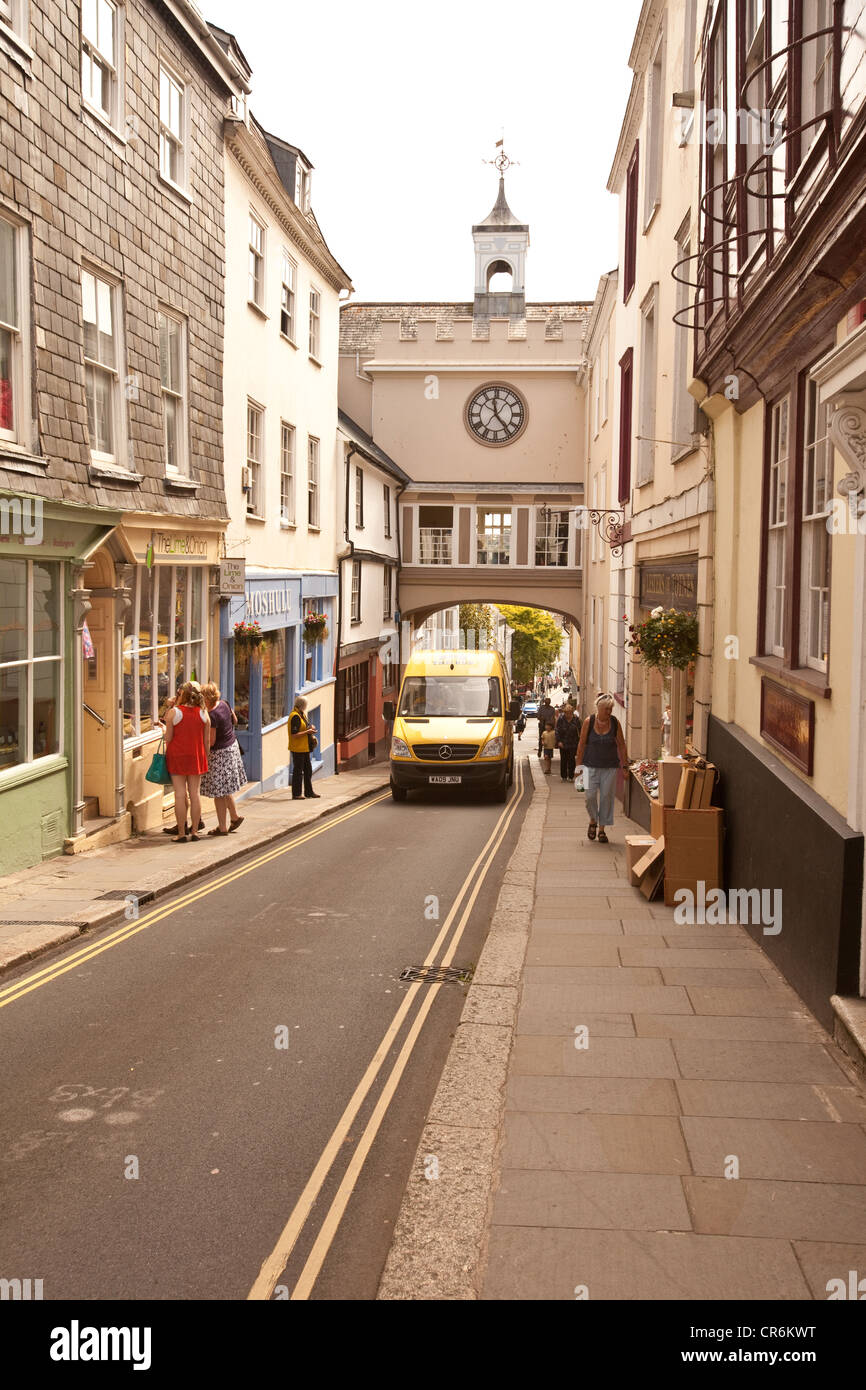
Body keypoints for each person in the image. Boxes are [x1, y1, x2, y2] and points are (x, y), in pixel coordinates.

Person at [575, 693, 629, 844]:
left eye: (611, 709)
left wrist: (625, 766)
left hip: (610, 767)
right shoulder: (589, 721)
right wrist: (578, 767)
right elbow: (581, 745)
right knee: (589, 797)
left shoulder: (615, 722)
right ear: (599, 708)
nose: (609, 712)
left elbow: (622, 745)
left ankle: (602, 830)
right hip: (589, 766)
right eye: (607, 709)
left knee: (606, 798)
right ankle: (593, 820)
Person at [164, 681, 210, 843]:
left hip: (177, 756)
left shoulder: (174, 713)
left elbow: (168, 738)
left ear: (182, 694)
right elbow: (206, 742)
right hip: (196, 756)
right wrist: (207, 758)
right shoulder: (204, 714)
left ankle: (182, 833)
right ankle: (195, 831)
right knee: (195, 794)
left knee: (179, 794)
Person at [200, 682, 246, 836]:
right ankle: (234, 817)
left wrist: (203, 751)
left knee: (219, 793)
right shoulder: (224, 704)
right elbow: (235, 720)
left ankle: (222, 827)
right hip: (231, 747)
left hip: (220, 754)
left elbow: (211, 741)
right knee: (226, 788)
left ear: (206, 699)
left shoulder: (212, 715)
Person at [289, 695, 321, 801]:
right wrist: (308, 731)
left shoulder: (301, 714)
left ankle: (309, 792)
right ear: (302, 705)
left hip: (305, 748)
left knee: (308, 770)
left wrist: (310, 728)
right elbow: (294, 734)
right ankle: (296, 794)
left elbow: (304, 727)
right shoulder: (295, 716)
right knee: (298, 771)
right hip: (298, 748)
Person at [555, 703, 580, 782]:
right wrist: (559, 741)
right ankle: (564, 776)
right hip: (563, 742)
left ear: (572, 712)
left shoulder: (576, 719)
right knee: (563, 760)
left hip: (573, 743)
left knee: (571, 760)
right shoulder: (561, 719)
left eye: (569, 713)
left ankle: (571, 776)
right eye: (566, 713)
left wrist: (579, 743)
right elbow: (557, 730)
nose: (567, 715)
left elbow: (580, 731)